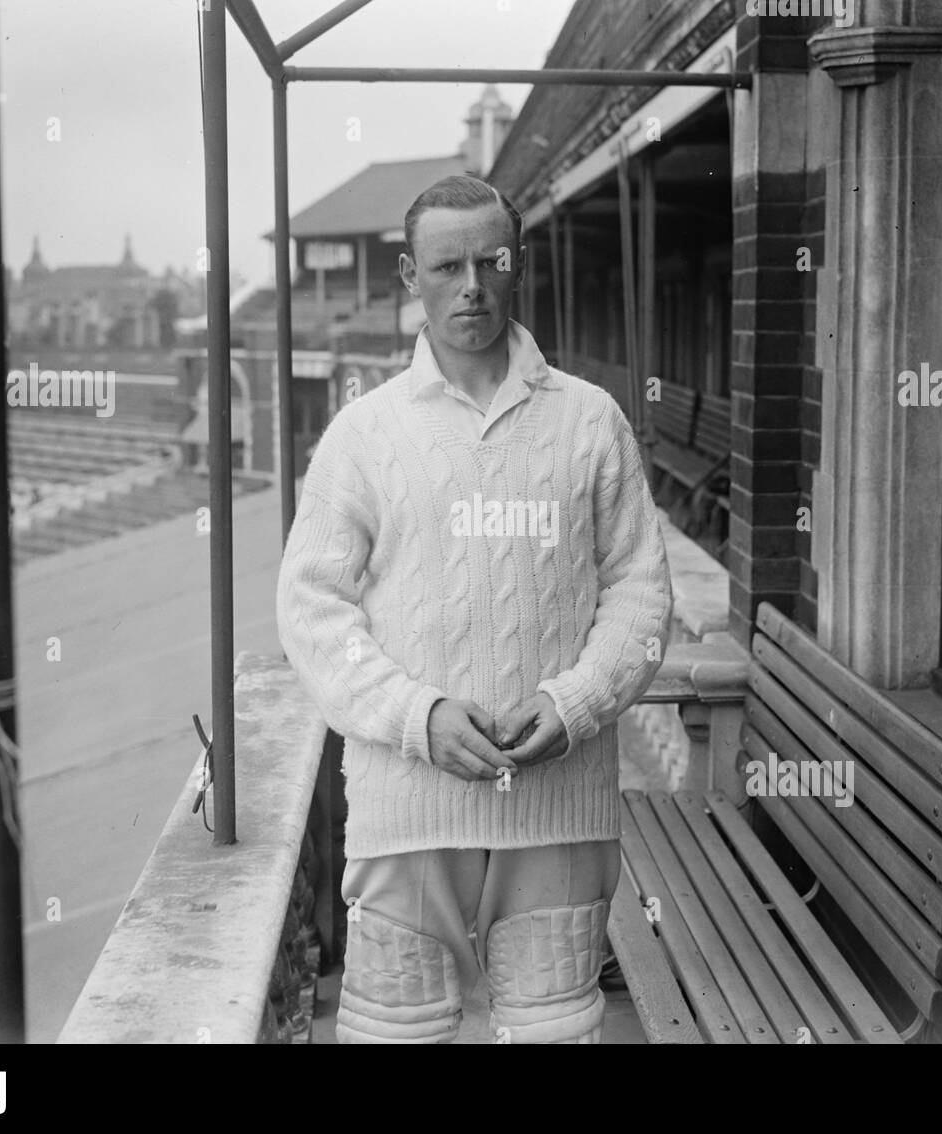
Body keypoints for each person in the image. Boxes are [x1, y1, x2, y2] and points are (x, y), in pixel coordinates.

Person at [276, 173, 673, 1044]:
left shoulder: (591, 421)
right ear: (409, 278)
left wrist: (576, 703)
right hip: (406, 810)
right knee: (397, 1035)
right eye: (447, 265)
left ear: (518, 264)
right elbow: (311, 612)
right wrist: (417, 716)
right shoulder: (364, 435)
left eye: (490, 260)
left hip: (558, 809)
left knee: (555, 1033)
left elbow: (642, 595)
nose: (471, 285)